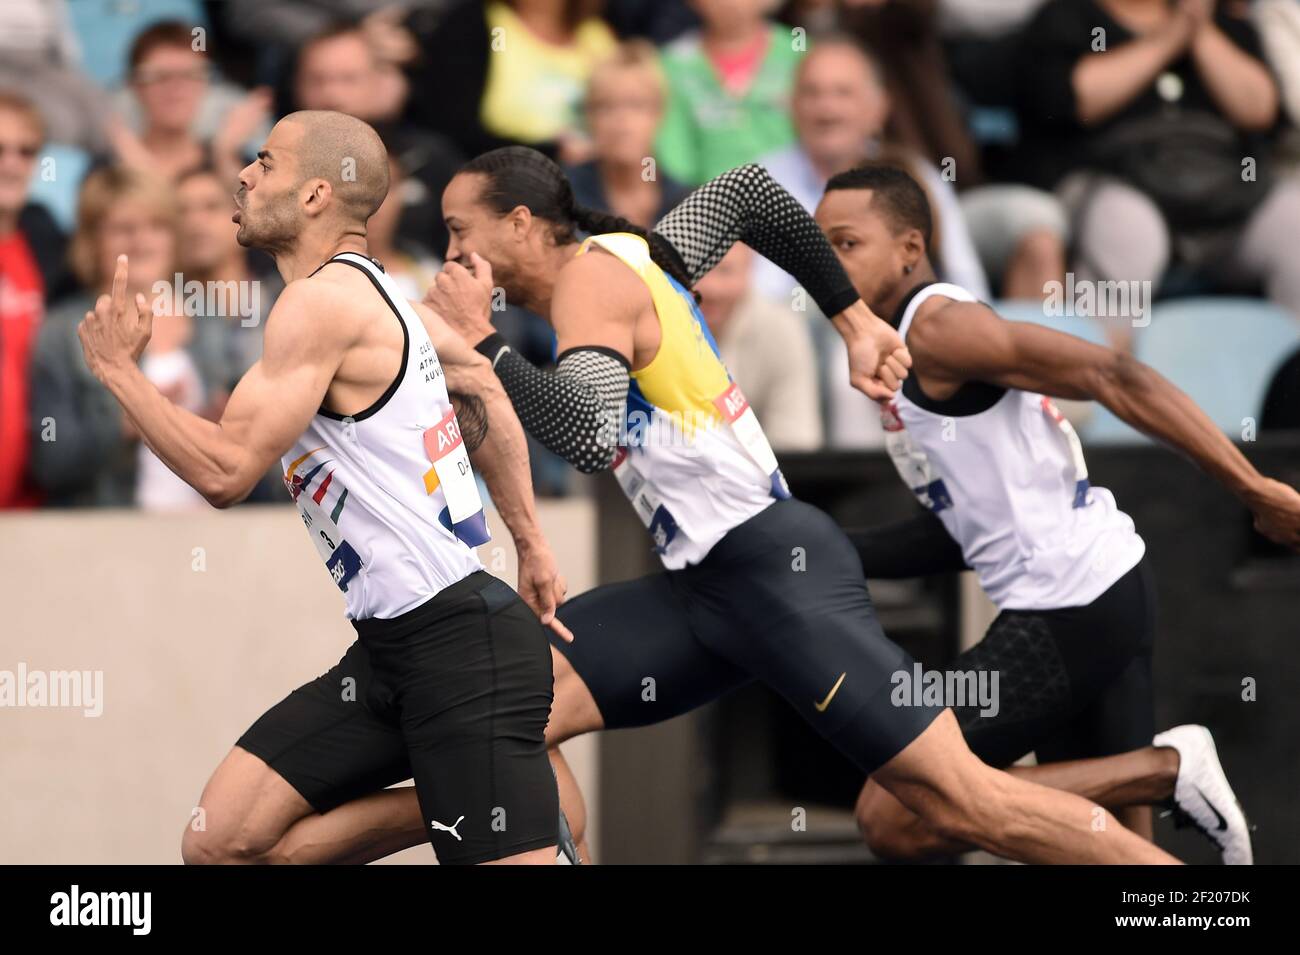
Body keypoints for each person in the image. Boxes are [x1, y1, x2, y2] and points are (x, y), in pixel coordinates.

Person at [428, 147, 1177, 864]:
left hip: (773, 573)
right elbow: (747, 194)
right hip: (703, 588)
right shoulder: (632, 255)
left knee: (958, 801)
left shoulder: (591, 279)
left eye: (460, 228)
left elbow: (588, 435)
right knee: (515, 703)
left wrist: (484, 343)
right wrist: (851, 319)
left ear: (521, 224)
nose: (449, 249)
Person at [75, 111, 569, 865]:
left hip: (460, 646)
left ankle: (495, 792)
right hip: (393, 651)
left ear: (314, 195)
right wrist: (531, 545)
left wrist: (117, 370)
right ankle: (476, 793)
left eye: (264, 163)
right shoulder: (387, 297)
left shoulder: (321, 303)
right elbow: (486, 389)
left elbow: (225, 471)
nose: (242, 174)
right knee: (224, 843)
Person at [815, 163, 1300, 863]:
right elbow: (966, 530)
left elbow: (1113, 375)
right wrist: (818, 549)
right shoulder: (893, 350)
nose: (824, 263)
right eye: (817, 243)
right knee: (1119, 861)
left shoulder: (942, 330)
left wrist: (1253, 487)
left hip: (1070, 608)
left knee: (896, 811)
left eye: (846, 243)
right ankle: (1165, 775)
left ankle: (1166, 768)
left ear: (910, 249)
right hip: (1103, 588)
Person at [695, 242, 823, 450]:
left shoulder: (782, 329)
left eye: (725, 271)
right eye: (697, 268)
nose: (710, 287)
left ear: (749, 269)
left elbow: (795, 441)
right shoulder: (650, 323)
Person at [0, 91, 62, 509]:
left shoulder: (49, 248)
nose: (11, 164)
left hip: (33, 503)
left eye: (26, 151)